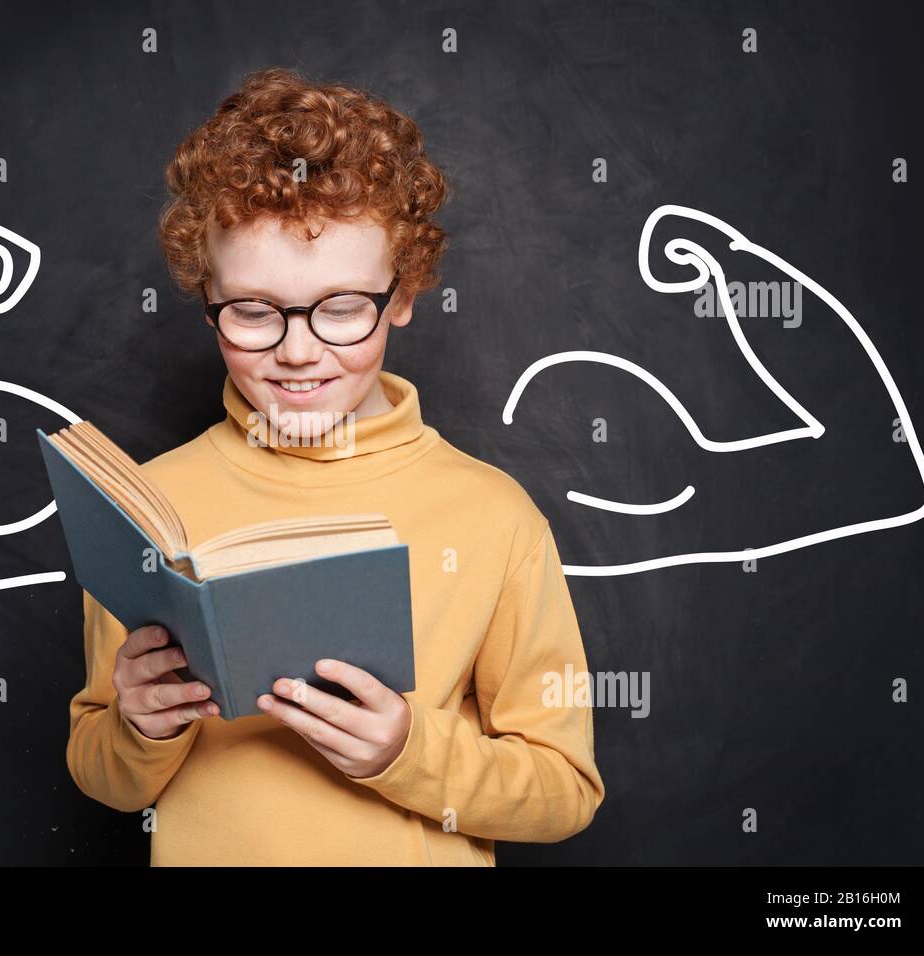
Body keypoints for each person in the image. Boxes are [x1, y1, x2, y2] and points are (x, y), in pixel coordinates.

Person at [65, 66, 605, 866]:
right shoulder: (150, 506)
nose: (298, 350)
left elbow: (565, 791)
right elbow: (106, 778)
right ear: (206, 294)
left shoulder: (494, 515)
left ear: (405, 293)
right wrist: (139, 728)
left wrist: (408, 754)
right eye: (252, 310)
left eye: (344, 308)